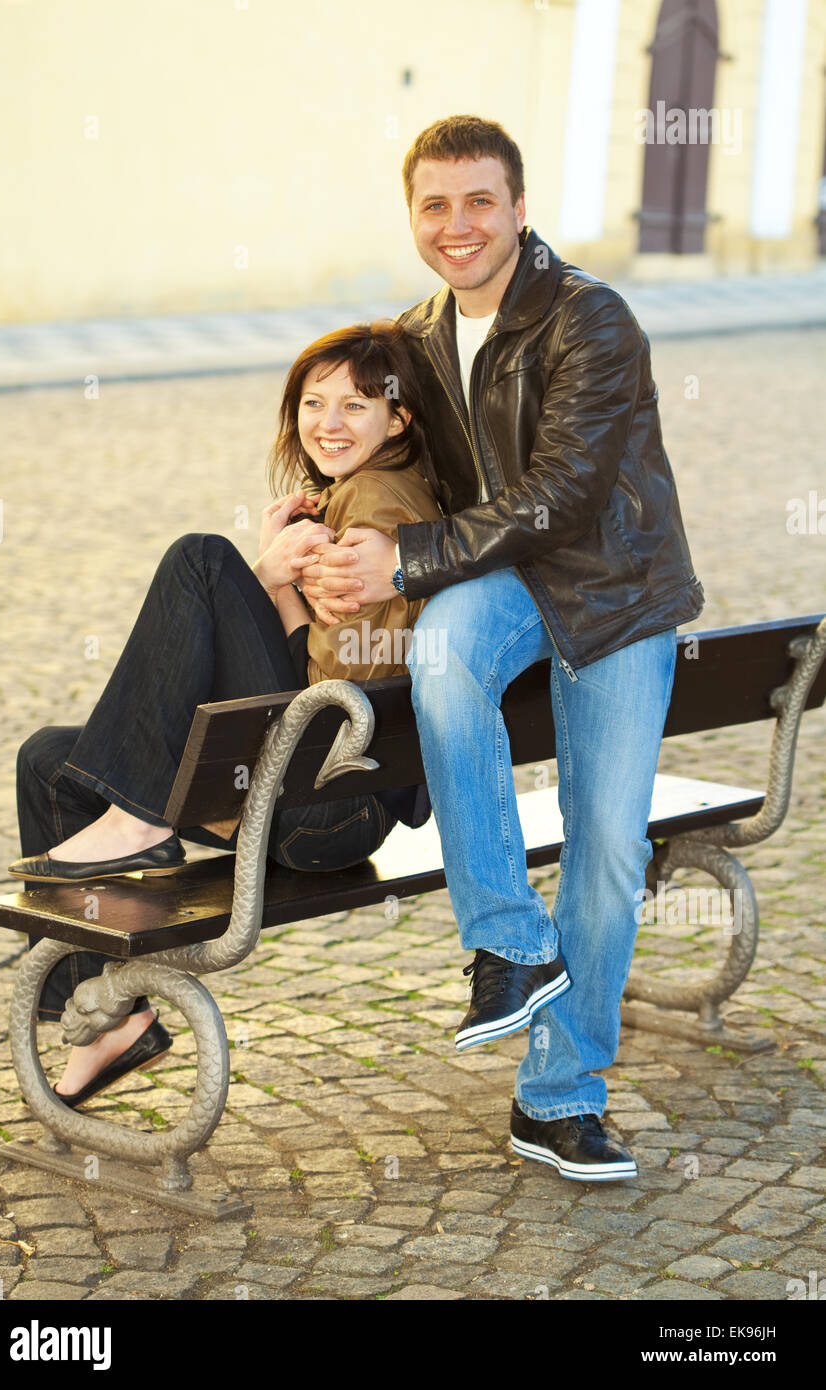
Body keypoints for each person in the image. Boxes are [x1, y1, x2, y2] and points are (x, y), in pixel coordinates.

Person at [295, 115, 706, 1182]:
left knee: (607, 855)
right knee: (443, 652)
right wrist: (319, 515)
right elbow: (374, 442)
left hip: (612, 591)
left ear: (519, 209)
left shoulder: (591, 321)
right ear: (414, 218)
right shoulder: (416, 336)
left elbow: (564, 498)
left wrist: (405, 558)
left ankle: (558, 1097)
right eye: (435, 204)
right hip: (499, 583)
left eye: (479, 200)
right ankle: (507, 941)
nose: (457, 224)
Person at [9, 321, 441, 1107]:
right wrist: (276, 577)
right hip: (312, 791)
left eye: (355, 404)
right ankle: (112, 1025)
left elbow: (340, 696)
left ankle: (142, 817)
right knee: (47, 761)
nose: (328, 423)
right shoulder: (364, 499)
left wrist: (264, 580)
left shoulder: (373, 510)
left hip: (326, 807)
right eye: (314, 402)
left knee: (201, 560)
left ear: (399, 418)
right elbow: (324, 674)